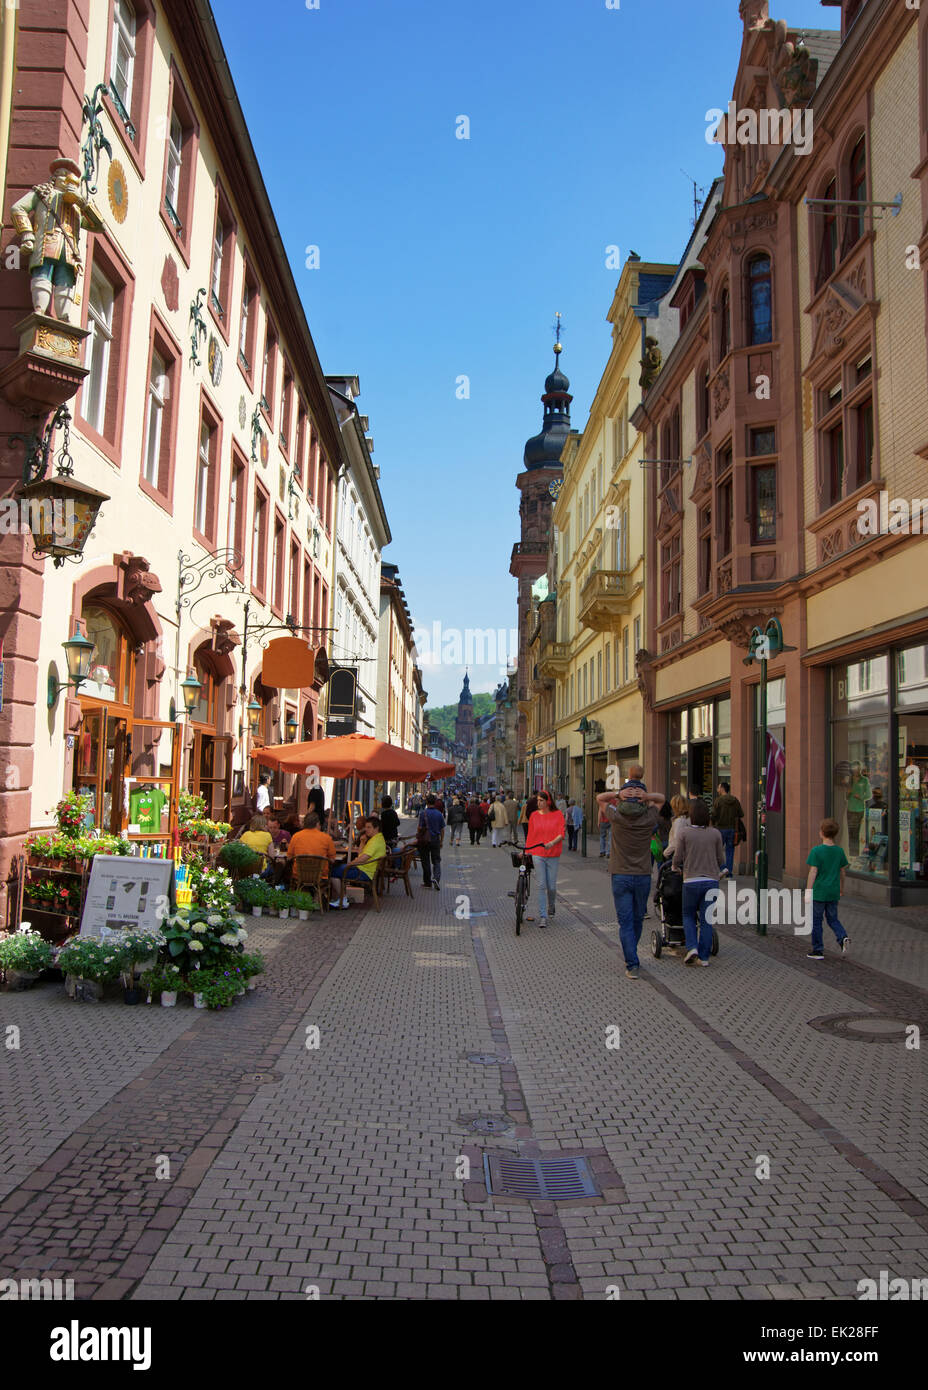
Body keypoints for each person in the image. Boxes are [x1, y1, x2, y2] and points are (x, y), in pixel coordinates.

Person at [597, 782, 666, 980]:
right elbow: (661, 798)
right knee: (637, 920)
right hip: (643, 876)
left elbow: (600, 798)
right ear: (642, 801)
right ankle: (632, 953)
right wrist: (646, 795)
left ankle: (632, 962)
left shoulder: (616, 816)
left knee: (625, 922)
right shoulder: (649, 817)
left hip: (620, 875)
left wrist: (619, 794)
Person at [672, 798, 726, 967]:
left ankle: (691, 947)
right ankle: (704, 957)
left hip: (691, 880)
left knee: (688, 915)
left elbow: (678, 856)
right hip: (711, 881)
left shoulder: (684, 833)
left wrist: (675, 866)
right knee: (706, 919)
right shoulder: (715, 833)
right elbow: (721, 859)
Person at [805, 818, 850, 959]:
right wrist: (842, 888)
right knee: (833, 919)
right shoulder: (839, 851)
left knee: (817, 921)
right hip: (833, 891)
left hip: (819, 891)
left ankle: (818, 950)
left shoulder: (817, 851)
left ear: (821, 833)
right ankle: (842, 937)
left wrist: (808, 890)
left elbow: (813, 872)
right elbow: (843, 872)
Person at [329, 815, 387, 909]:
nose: (366, 829)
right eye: (366, 827)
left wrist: (350, 864)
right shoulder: (376, 839)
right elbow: (360, 855)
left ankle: (342, 899)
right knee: (339, 869)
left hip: (364, 872)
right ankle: (342, 898)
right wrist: (362, 842)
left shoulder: (375, 841)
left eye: (369, 827)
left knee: (333, 872)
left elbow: (362, 858)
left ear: (376, 828)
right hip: (364, 869)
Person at [526, 790, 565, 928]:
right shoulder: (534, 816)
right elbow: (530, 836)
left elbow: (561, 833)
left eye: (541, 801)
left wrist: (552, 843)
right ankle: (543, 916)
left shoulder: (558, 814)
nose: (538, 803)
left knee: (552, 887)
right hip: (538, 853)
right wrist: (526, 851)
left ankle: (551, 905)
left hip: (553, 853)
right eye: (537, 800)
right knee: (541, 885)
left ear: (548, 801)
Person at [286, 811, 337, 879]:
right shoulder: (326, 838)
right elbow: (332, 859)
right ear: (317, 823)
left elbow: (289, 857)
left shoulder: (296, 837)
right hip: (320, 876)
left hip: (299, 875)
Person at [710, 781, 745, 877]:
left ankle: (723, 868)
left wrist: (712, 824)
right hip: (732, 829)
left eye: (718, 787)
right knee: (730, 851)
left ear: (722, 788)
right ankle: (729, 873)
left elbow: (713, 815)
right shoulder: (735, 800)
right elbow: (741, 814)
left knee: (717, 851)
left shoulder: (718, 801)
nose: (717, 789)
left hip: (720, 829)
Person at [418, 795, 446, 890]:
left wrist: (419, 834)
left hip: (425, 841)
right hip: (435, 840)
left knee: (425, 861)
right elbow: (442, 829)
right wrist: (441, 841)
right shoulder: (439, 814)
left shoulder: (423, 813)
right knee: (436, 861)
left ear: (426, 802)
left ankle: (427, 882)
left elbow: (420, 828)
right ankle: (436, 879)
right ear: (435, 802)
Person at [845, 763, 872, 859]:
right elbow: (847, 797)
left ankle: (855, 853)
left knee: (856, 832)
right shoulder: (850, 780)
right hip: (850, 808)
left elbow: (869, 795)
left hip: (859, 809)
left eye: (857, 768)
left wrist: (861, 797)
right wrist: (847, 793)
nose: (856, 770)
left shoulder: (864, 780)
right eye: (854, 768)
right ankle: (851, 854)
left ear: (860, 769)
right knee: (850, 831)